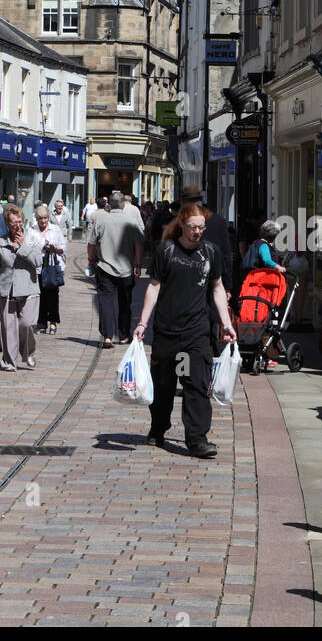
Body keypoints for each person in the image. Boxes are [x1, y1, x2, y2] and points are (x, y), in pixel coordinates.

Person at [135, 202, 236, 459]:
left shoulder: (211, 253)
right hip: (167, 329)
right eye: (193, 227)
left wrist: (227, 323)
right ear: (181, 224)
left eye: (201, 227)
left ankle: (197, 438)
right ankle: (158, 428)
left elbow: (217, 288)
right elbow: (154, 287)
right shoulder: (166, 250)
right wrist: (142, 322)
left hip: (197, 331)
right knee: (163, 385)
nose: (197, 232)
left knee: (196, 385)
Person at [0, 204, 43, 370]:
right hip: (6, 290)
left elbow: (38, 262)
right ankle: (9, 361)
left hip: (29, 289)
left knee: (27, 324)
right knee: (8, 328)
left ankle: (28, 352)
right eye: (13, 223)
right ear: (7, 224)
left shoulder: (32, 238)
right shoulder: (0, 242)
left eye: (20, 221)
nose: (17, 225)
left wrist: (22, 247)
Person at [88, 190, 145, 349]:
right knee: (125, 303)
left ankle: (107, 336)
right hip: (126, 270)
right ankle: (124, 336)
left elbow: (91, 244)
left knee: (106, 302)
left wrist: (91, 260)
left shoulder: (101, 220)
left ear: (109, 204)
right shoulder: (131, 221)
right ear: (123, 204)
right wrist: (138, 265)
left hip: (105, 267)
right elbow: (139, 245)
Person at [29, 202, 67, 333]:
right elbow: (28, 248)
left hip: (52, 267)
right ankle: (41, 322)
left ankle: (53, 322)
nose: (43, 221)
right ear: (36, 218)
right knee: (39, 295)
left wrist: (55, 248)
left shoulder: (55, 229)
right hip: (38, 268)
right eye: (40, 218)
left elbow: (63, 247)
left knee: (52, 295)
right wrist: (41, 247)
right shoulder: (32, 230)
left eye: (45, 218)